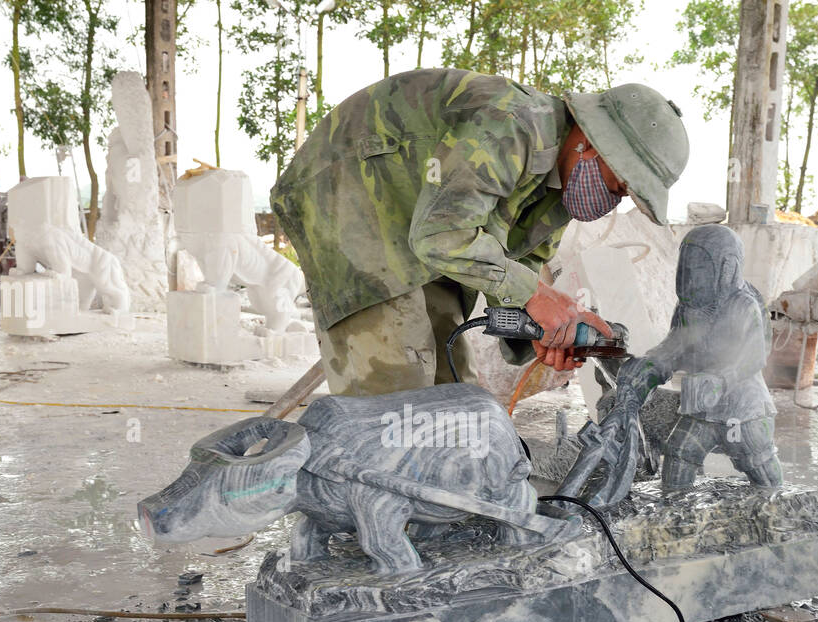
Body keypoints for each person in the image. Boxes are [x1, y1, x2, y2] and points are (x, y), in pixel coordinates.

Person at [270, 67, 689, 396]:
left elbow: (520, 267)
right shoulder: (512, 126)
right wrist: (538, 298)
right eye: (618, 183)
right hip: (350, 191)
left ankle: (436, 496)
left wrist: (546, 327)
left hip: (419, 224)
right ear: (593, 143)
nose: (614, 199)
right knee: (396, 386)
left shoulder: (558, 191)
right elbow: (441, 237)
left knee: (454, 388)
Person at [565, 224, 782, 504]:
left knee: (760, 465)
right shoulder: (688, 309)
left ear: (727, 267)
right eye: (686, 262)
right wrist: (649, 367)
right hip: (701, 408)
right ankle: (677, 518)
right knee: (679, 455)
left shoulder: (743, 305)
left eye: (699, 264)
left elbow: (752, 356)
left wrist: (721, 379)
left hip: (745, 409)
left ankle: (782, 511)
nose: (689, 273)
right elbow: (675, 347)